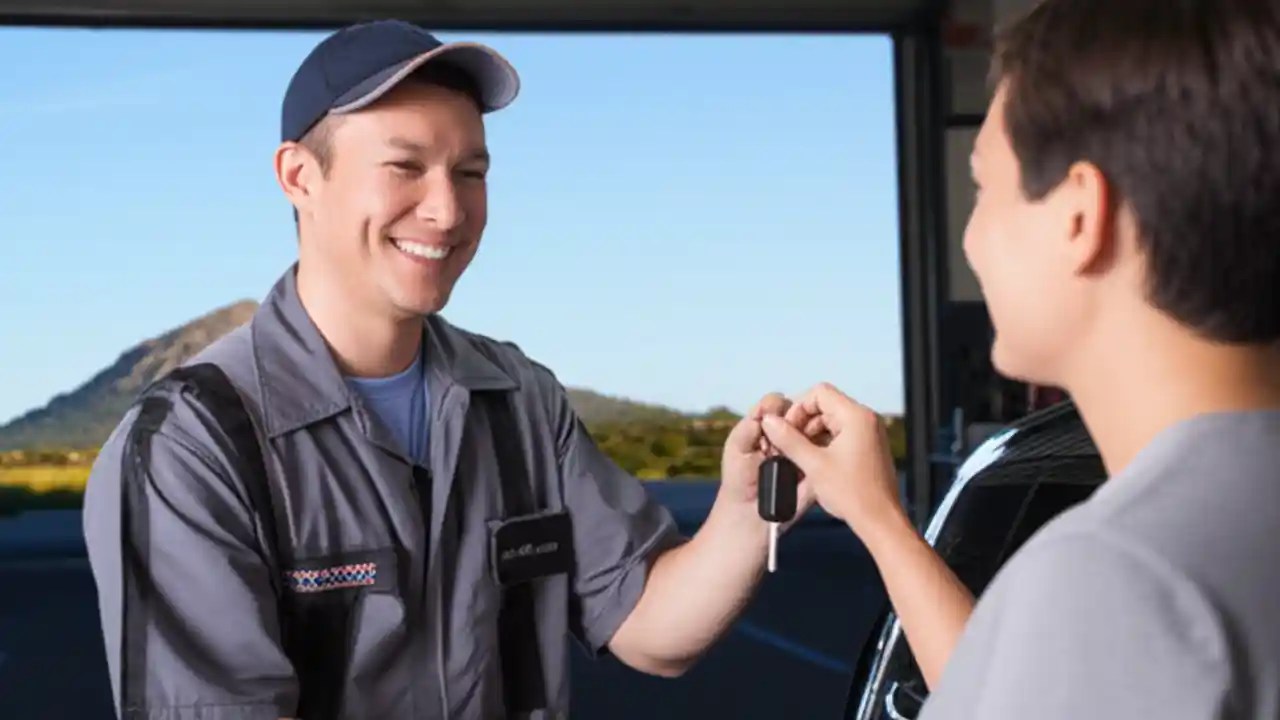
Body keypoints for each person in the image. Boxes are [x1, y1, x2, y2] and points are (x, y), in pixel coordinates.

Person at [82, 20, 812, 720]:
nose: (447, 210)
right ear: (299, 176)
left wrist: (748, 513)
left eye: (470, 172)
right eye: (405, 167)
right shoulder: (190, 445)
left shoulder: (521, 402)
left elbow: (652, 631)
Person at [762, 0, 1280, 717]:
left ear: (1078, 216)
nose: (972, 238)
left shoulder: (1113, 576)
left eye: (984, 187)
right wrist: (877, 516)